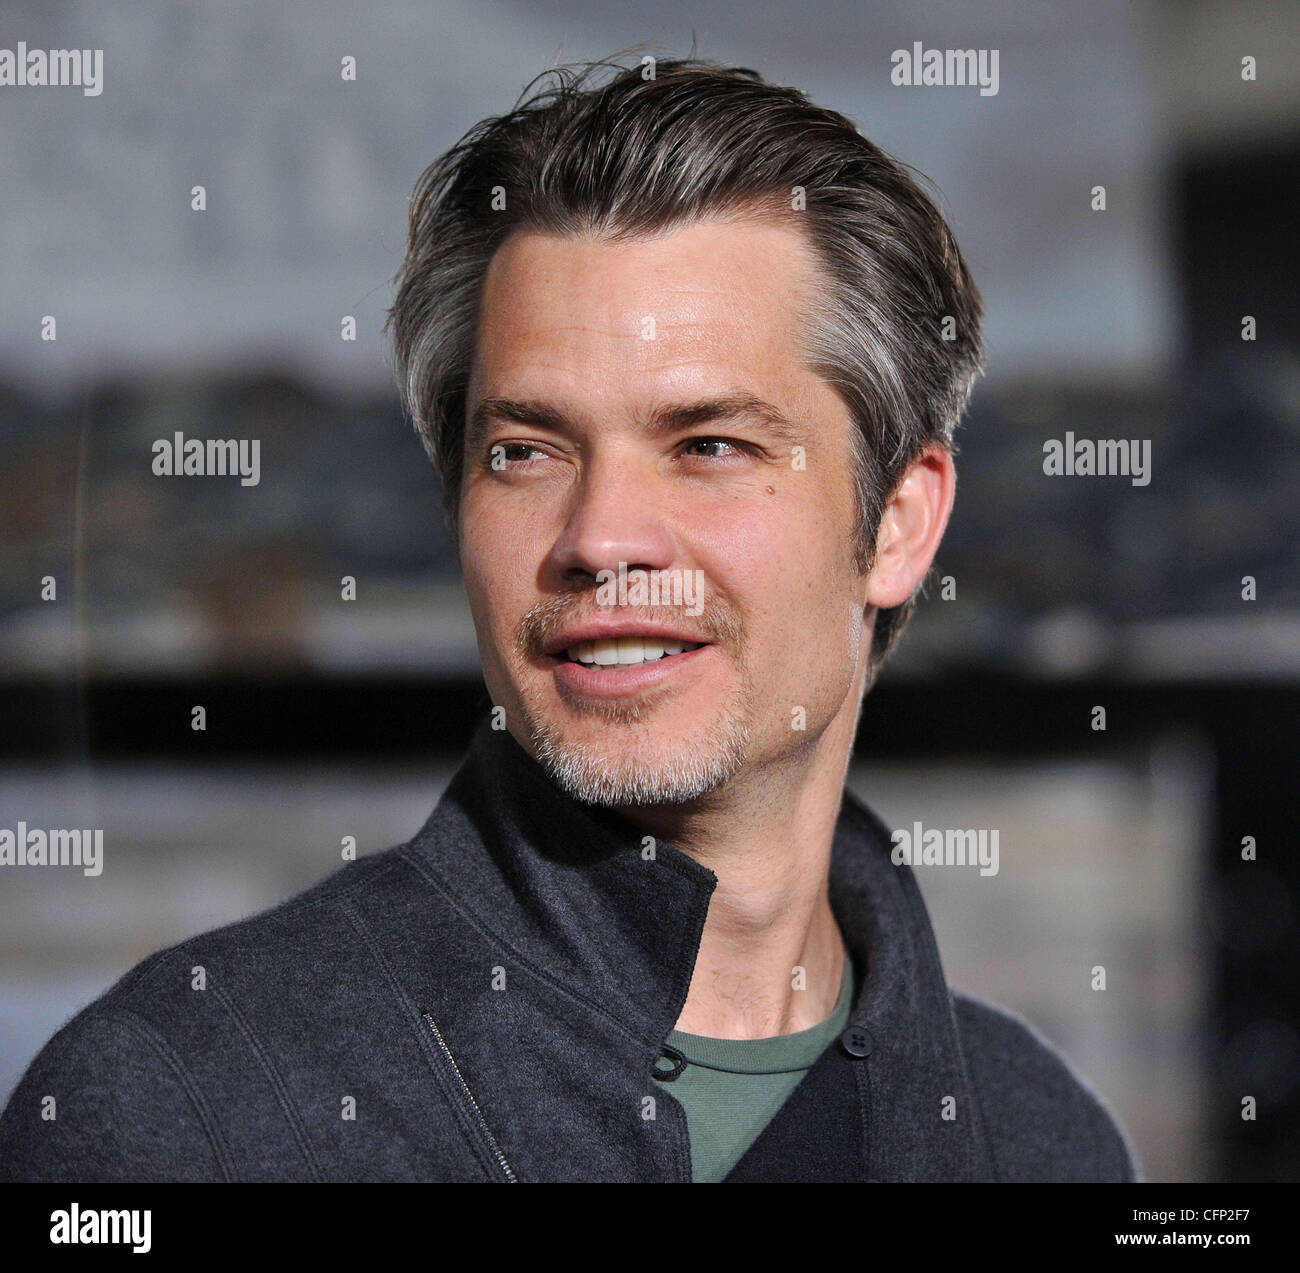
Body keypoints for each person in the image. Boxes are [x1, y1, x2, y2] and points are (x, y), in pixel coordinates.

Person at [0, 56, 1138, 1182]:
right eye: (526, 451)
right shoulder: (180, 1111)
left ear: (896, 524)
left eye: (708, 445)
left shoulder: (1037, 1138)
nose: (600, 536)